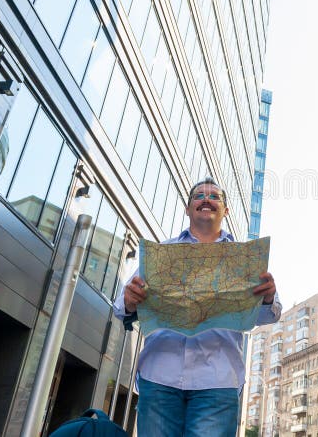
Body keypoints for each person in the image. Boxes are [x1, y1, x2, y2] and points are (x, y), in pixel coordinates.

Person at [113, 178, 281, 437]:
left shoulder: (244, 258)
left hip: (218, 381)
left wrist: (268, 297)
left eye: (215, 197)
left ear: (225, 211)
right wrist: (129, 299)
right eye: (199, 196)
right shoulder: (162, 253)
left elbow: (266, 315)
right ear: (188, 208)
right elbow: (120, 307)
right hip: (160, 377)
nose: (206, 199)